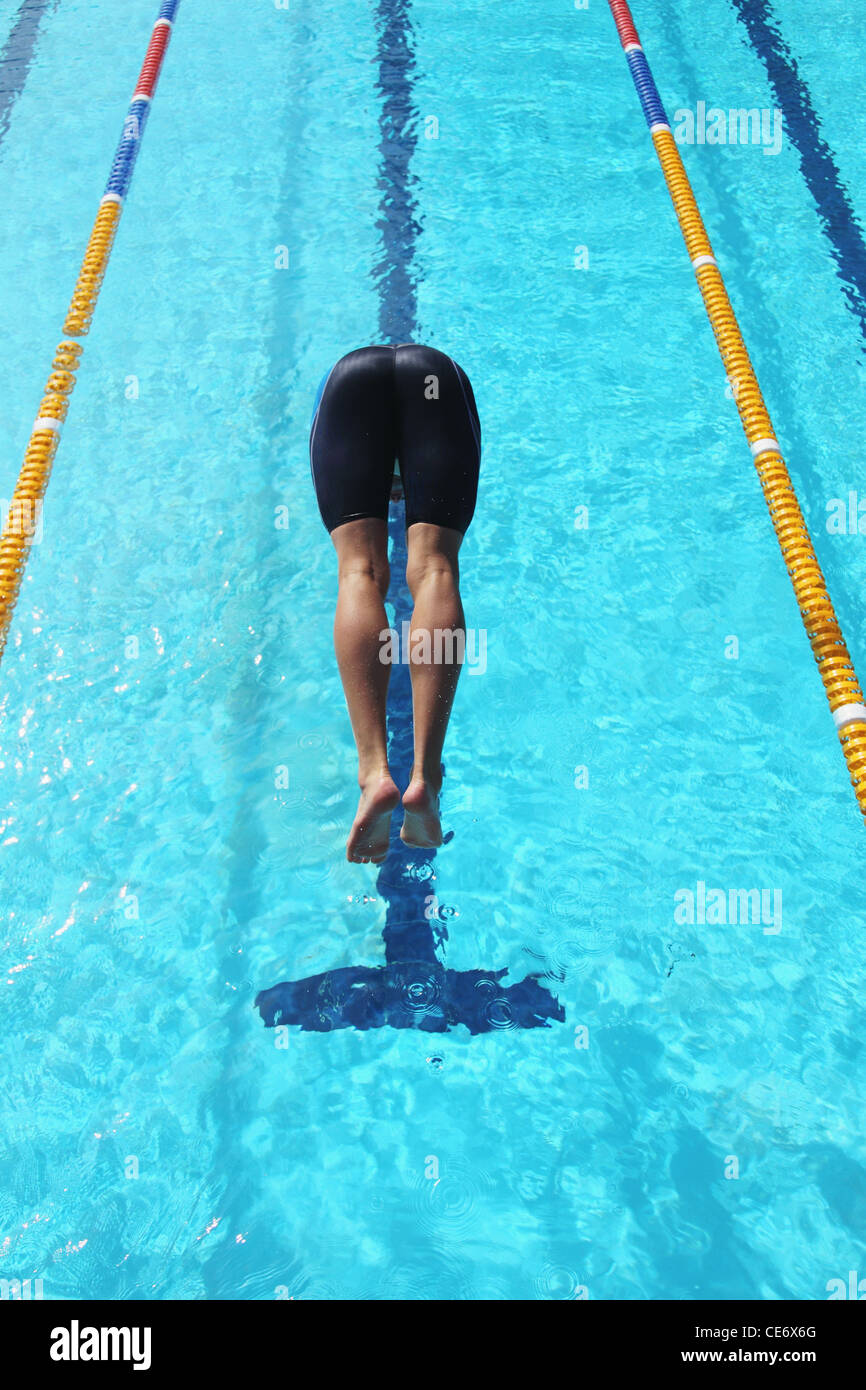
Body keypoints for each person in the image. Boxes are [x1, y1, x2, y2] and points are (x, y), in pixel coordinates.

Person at [309, 342, 481, 864]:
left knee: (358, 571)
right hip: (439, 376)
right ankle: (424, 778)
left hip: (348, 381)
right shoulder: (440, 375)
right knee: (435, 568)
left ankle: (374, 774)